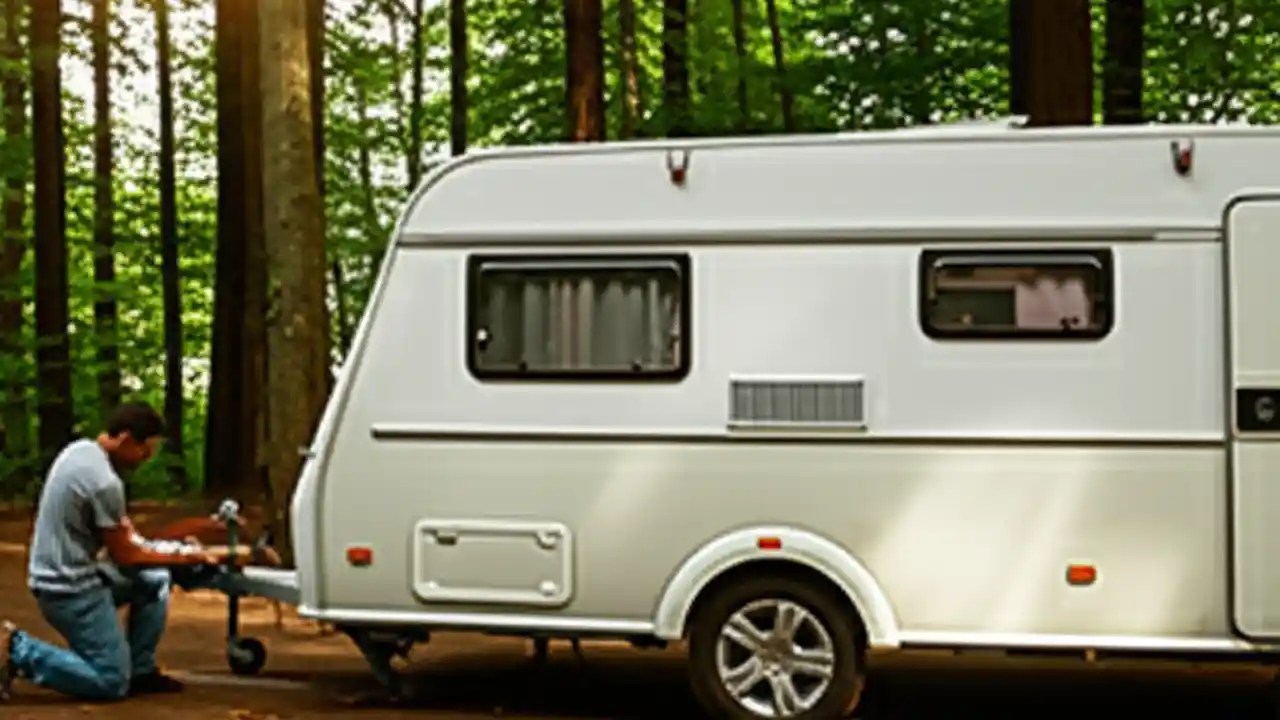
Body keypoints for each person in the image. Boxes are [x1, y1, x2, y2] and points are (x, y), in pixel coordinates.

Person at [0, 403, 233, 703]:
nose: (146, 458)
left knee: (154, 580)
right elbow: (127, 555)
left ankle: (141, 670)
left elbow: (129, 538)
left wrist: (179, 551)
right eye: (145, 450)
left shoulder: (80, 451)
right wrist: (189, 557)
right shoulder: (104, 483)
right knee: (110, 680)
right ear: (125, 439)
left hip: (68, 575)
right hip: (68, 591)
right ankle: (17, 649)